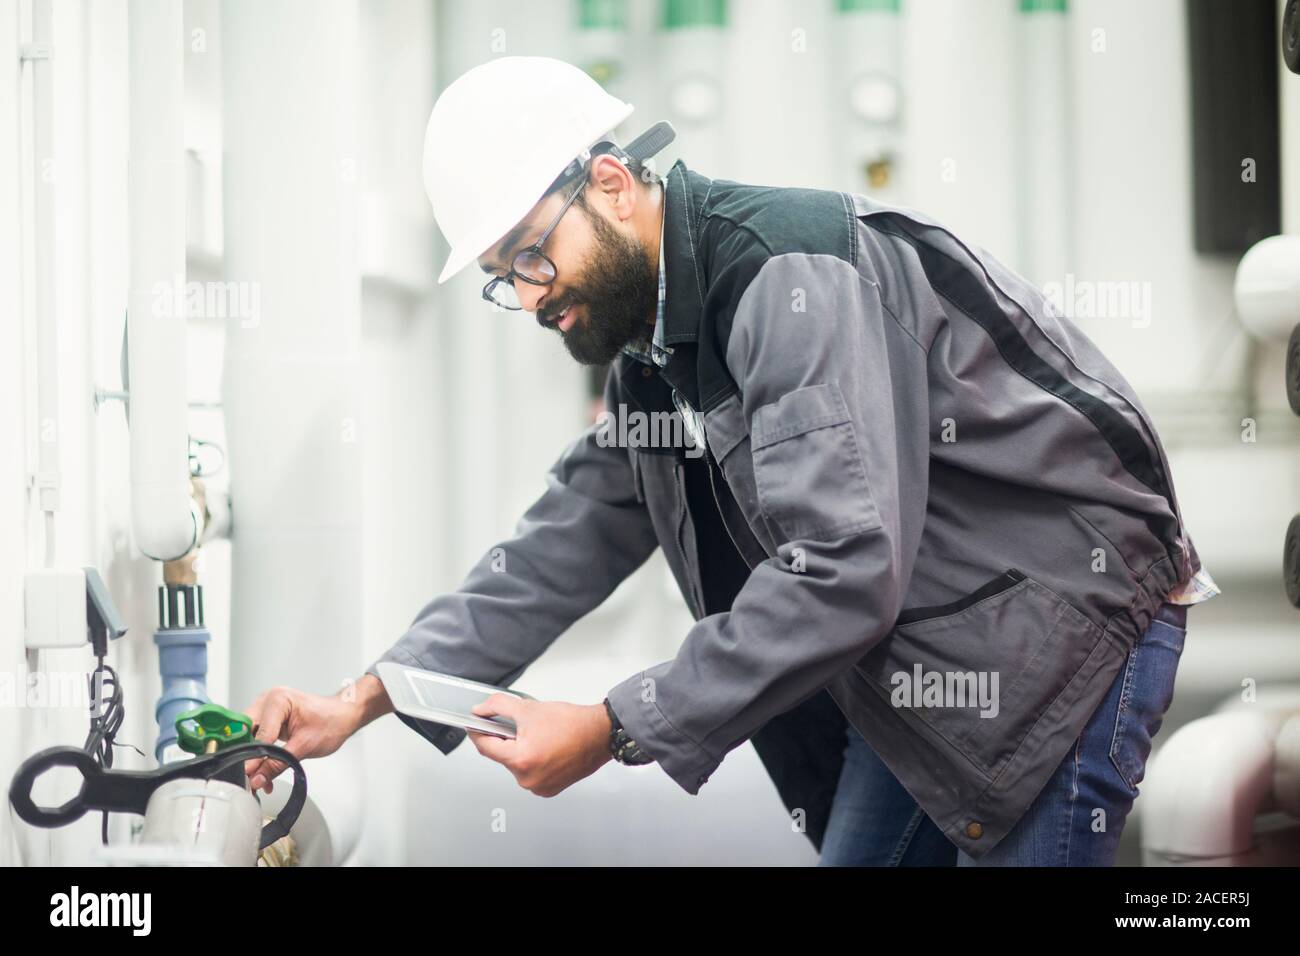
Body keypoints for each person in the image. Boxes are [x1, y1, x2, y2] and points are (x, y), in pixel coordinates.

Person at [243, 56, 1219, 865]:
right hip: (934, 643)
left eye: (531, 254)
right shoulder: (656, 348)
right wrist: (361, 697)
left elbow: (841, 567)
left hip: (1061, 622)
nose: (531, 296)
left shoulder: (783, 281)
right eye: (505, 277)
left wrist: (612, 723)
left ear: (613, 184)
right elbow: (560, 543)